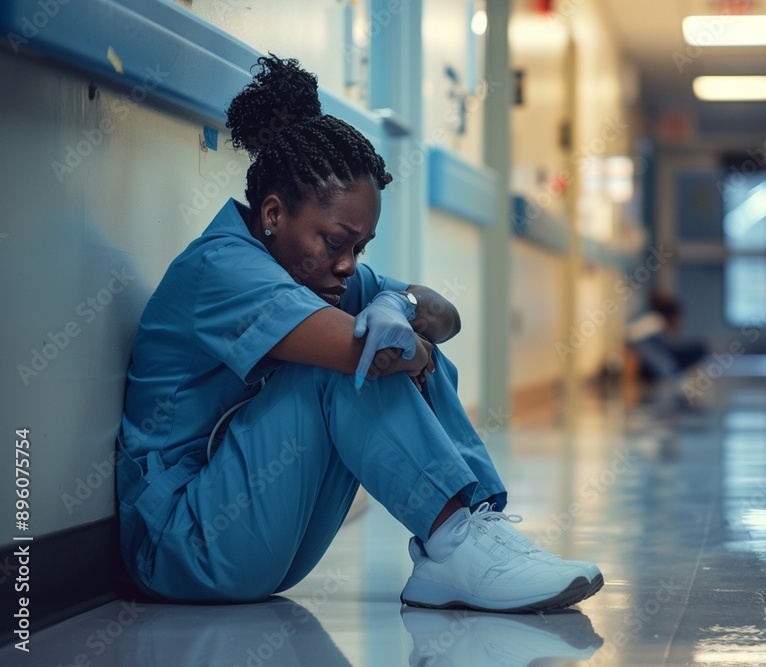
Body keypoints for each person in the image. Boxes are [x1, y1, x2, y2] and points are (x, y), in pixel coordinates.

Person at [116, 55, 603, 612]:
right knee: (356, 358)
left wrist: (403, 302)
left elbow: (447, 316)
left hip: (266, 533)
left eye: (360, 248)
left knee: (381, 334)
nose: (348, 265)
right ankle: (454, 545)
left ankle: (468, 532)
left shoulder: (320, 276)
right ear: (272, 212)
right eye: (335, 241)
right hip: (182, 544)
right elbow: (368, 354)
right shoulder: (220, 268)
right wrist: (411, 344)